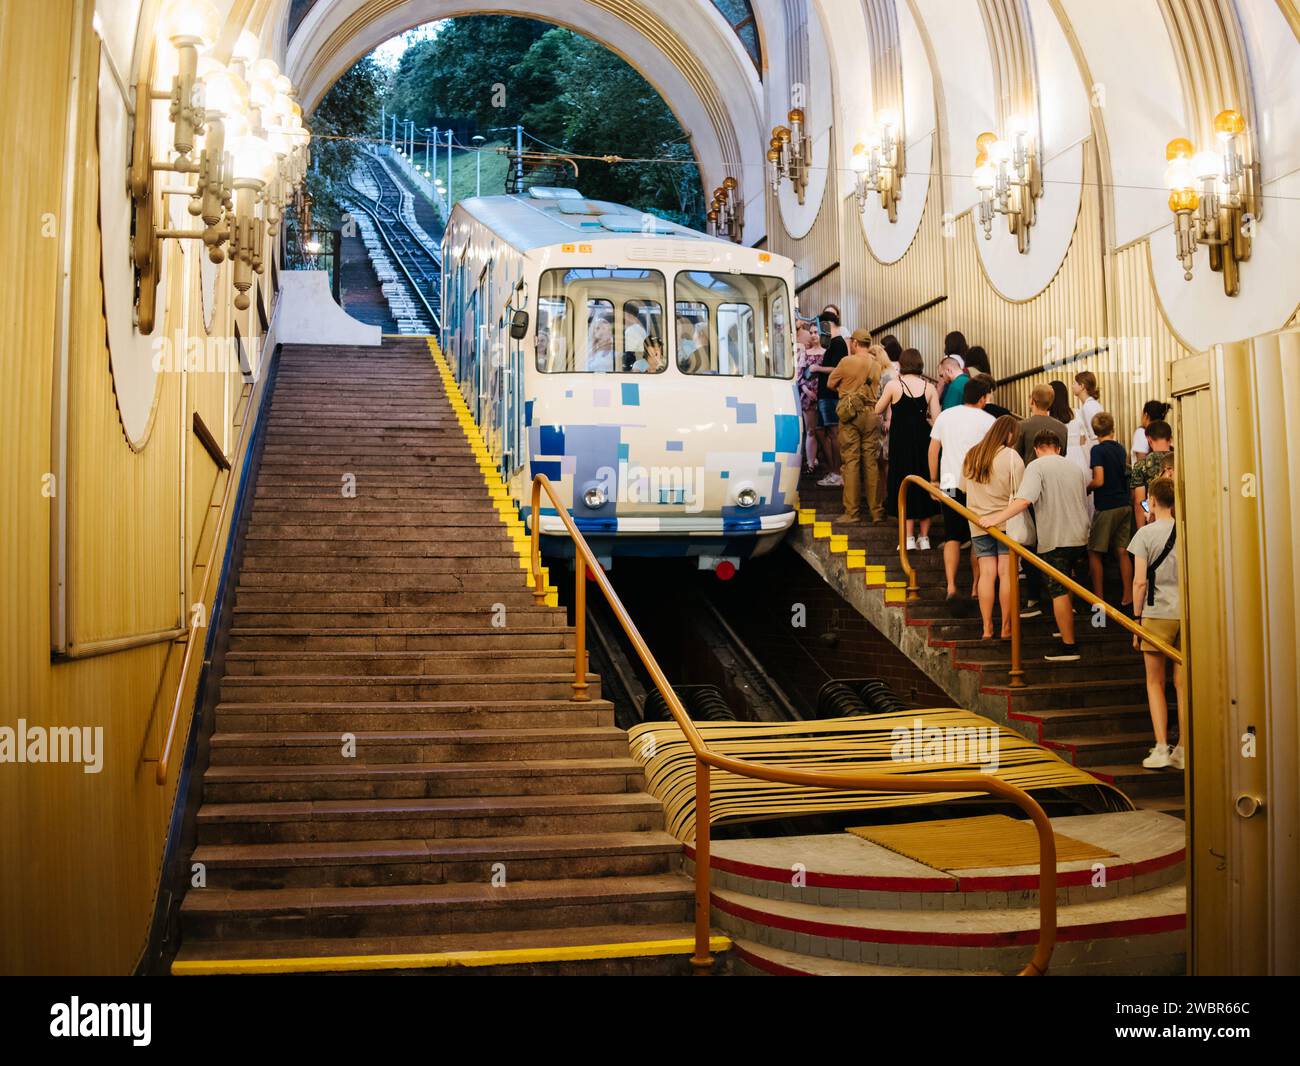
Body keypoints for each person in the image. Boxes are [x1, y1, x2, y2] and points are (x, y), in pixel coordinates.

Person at [981, 431, 1091, 661]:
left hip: (1055, 537)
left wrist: (996, 518)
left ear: (1037, 448)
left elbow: (1024, 500)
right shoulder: (1075, 468)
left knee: (1057, 590)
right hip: (1080, 535)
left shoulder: (1036, 467)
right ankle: (1065, 629)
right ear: (1058, 448)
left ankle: (1068, 646)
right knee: (1067, 582)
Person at [1128, 477, 1186, 770]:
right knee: (1182, 683)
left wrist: (1137, 618)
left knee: (1155, 682)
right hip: (1186, 614)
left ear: (1152, 499)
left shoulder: (1145, 535)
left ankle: (1162, 746)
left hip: (1156, 612)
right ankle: (1184, 750)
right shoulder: (1188, 533)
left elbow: (1139, 582)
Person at [929, 376, 995, 600]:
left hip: (948, 481)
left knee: (952, 536)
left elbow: (933, 449)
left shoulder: (946, 415)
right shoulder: (989, 421)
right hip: (977, 484)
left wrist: (933, 480)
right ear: (983, 397)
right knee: (978, 537)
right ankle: (976, 586)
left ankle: (951, 586)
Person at [960, 415, 1025, 640]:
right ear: (1008, 434)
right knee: (1006, 573)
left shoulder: (971, 454)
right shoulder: (1011, 457)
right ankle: (1006, 627)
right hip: (1006, 523)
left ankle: (987, 628)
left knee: (986, 574)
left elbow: (963, 489)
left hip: (978, 523)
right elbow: (1021, 493)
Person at [876, 348, 940, 548]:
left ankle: (908, 538)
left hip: (900, 443)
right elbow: (938, 419)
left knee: (903, 483)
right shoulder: (930, 388)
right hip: (923, 442)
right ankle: (925, 537)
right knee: (924, 483)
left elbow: (878, 409)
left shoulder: (894, 385)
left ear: (902, 364)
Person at [828, 329, 884, 524]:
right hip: (871, 413)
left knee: (851, 461)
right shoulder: (877, 365)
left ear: (854, 343)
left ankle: (852, 513)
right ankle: (876, 512)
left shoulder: (846, 362)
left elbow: (830, 383)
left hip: (850, 415)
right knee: (870, 462)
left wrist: (847, 392)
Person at [1086, 410, 1134, 610]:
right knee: (1122, 551)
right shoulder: (1120, 448)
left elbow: (1099, 479)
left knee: (1095, 551)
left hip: (1106, 506)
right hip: (1125, 504)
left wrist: (1086, 487)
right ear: (1112, 428)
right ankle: (1127, 596)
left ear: (1095, 431)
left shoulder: (1098, 451)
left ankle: (1099, 599)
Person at [810, 311, 847, 486]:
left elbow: (837, 368)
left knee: (833, 433)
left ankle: (837, 472)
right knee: (820, 430)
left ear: (827, 324)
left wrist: (817, 368)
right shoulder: (832, 343)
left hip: (832, 394)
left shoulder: (838, 343)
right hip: (825, 394)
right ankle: (833, 470)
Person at [795, 322, 827, 474]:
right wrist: (807, 390)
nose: (814, 335)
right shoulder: (805, 354)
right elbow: (799, 375)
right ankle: (810, 464)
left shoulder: (826, 353)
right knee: (810, 430)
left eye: (816, 332)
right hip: (808, 395)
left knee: (826, 431)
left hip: (824, 395)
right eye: (812, 332)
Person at [1130, 419, 1174, 528]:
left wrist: (1142, 529)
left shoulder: (1141, 466)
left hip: (1155, 521)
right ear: (1170, 439)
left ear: (1149, 440)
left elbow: (1139, 501)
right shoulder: (1182, 462)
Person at [1014, 384, 1069, 464]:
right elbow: (1063, 454)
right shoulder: (1062, 428)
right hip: (1055, 473)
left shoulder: (1022, 426)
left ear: (1032, 401)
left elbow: (1017, 456)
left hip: (1030, 473)